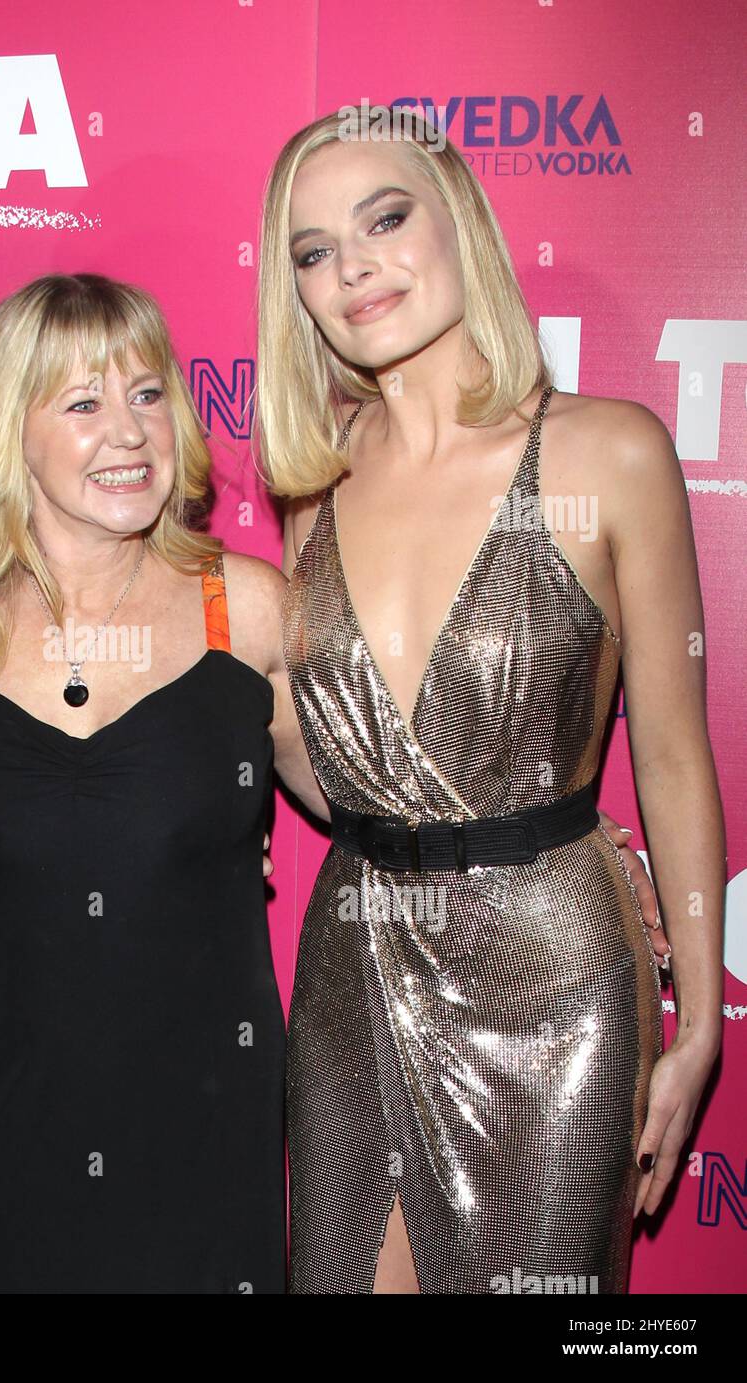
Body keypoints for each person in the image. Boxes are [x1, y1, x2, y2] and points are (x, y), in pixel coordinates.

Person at [259, 106, 723, 1293]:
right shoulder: (312, 491)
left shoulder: (606, 452)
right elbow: (336, 763)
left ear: (460, 219)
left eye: (384, 218)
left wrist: (702, 1022)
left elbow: (670, 754)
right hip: (352, 964)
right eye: (311, 250)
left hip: (554, 972)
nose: (351, 266)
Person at [0, 272, 334, 1293]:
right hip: (0, 1122)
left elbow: (379, 807)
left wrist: (557, 846)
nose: (129, 432)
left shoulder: (246, 613)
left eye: (148, 394)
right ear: (8, 430)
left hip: (204, 1119)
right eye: (82, 403)